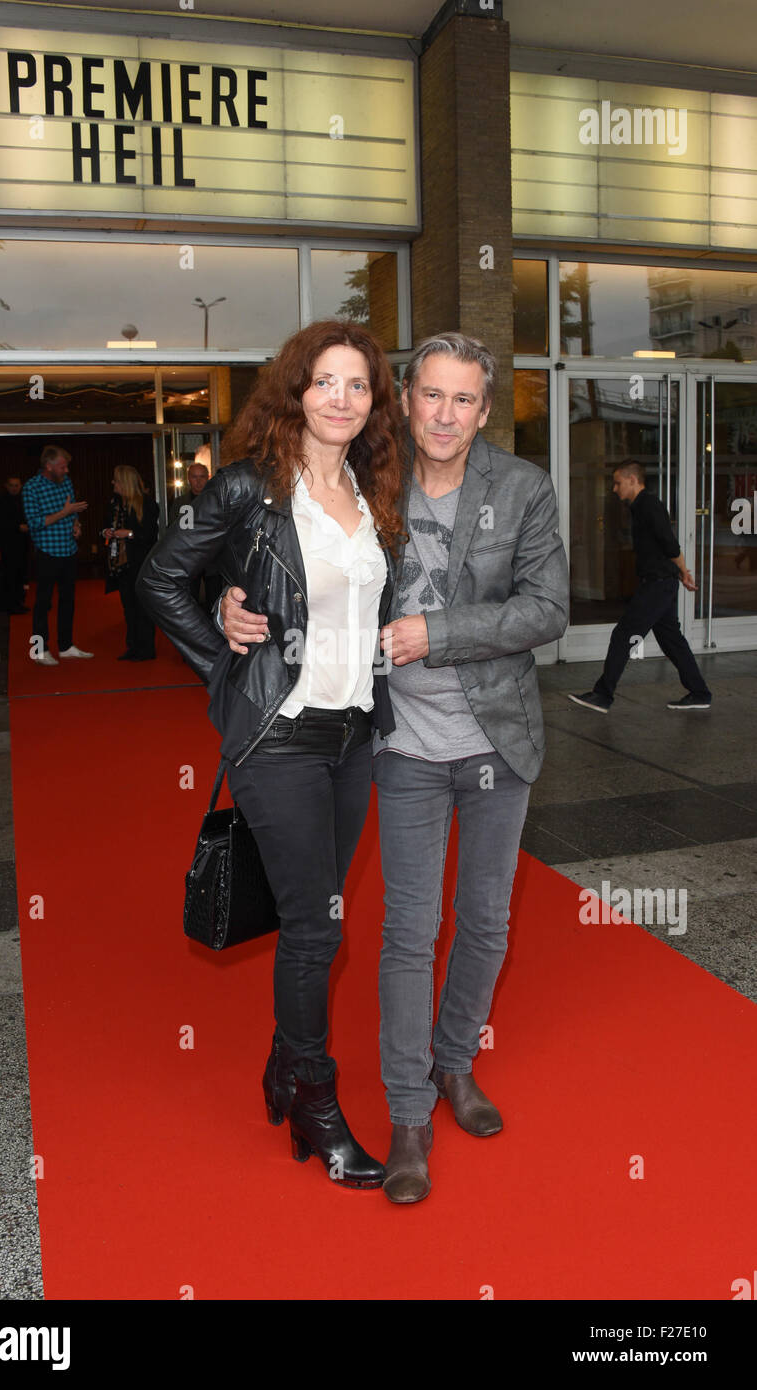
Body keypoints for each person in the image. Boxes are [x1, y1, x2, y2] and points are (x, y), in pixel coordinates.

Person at [221, 331, 569, 1204]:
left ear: (485, 411)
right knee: (409, 935)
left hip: (499, 742)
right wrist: (229, 603)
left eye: (464, 401)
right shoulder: (374, 479)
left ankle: (456, 1066)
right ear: (405, 402)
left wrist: (437, 634)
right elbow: (292, 558)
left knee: (485, 922)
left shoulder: (522, 489)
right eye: (431, 396)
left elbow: (548, 608)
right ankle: (408, 1113)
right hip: (401, 745)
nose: (445, 415)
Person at [137, 320, 404, 1189]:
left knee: (318, 927)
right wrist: (220, 651)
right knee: (317, 925)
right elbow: (159, 577)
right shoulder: (251, 489)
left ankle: (285, 1066)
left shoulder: (372, 494)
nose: (341, 399)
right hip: (278, 735)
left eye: (358, 386)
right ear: (296, 392)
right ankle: (315, 1098)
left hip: (354, 734)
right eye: (325, 382)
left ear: (373, 404)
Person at [569, 461, 712, 712]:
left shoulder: (650, 505)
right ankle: (699, 693)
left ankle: (603, 695)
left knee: (624, 635)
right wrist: (679, 572)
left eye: (618, 483)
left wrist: (684, 571)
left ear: (633, 480)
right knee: (671, 640)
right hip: (659, 583)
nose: (614, 489)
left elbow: (670, 544)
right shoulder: (639, 507)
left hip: (658, 585)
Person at [22, 445, 93, 666]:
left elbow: (71, 514)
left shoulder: (66, 483)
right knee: (42, 603)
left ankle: (66, 646)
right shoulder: (32, 487)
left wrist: (76, 525)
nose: (66, 471)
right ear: (49, 466)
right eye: (63, 467)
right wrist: (66, 512)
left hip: (69, 550)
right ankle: (39, 650)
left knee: (68, 601)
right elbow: (34, 524)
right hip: (46, 552)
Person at [103, 465, 159, 661]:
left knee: (142, 607)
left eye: (116, 480)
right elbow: (106, 525)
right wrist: (107, 532)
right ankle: (133, 646)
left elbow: (150, 535)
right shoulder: (115, 504)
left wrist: (129, 533)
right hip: (122, 564)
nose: (113, 483)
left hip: (141, 563)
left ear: (124, 482)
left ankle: (146, 648)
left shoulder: (147, 504)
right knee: (128, 608)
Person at [0, 476, 29, 614]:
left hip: (21, 543)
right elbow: (1, 523)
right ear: (6, 486)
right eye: (12, 485)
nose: (14, 488)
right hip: (8, 544)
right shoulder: (1, 502)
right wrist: (17, 527)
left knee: (20, 573)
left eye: (17, 485)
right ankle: (8, 604)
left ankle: (18, 602)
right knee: (9, 574)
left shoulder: (23, 501)